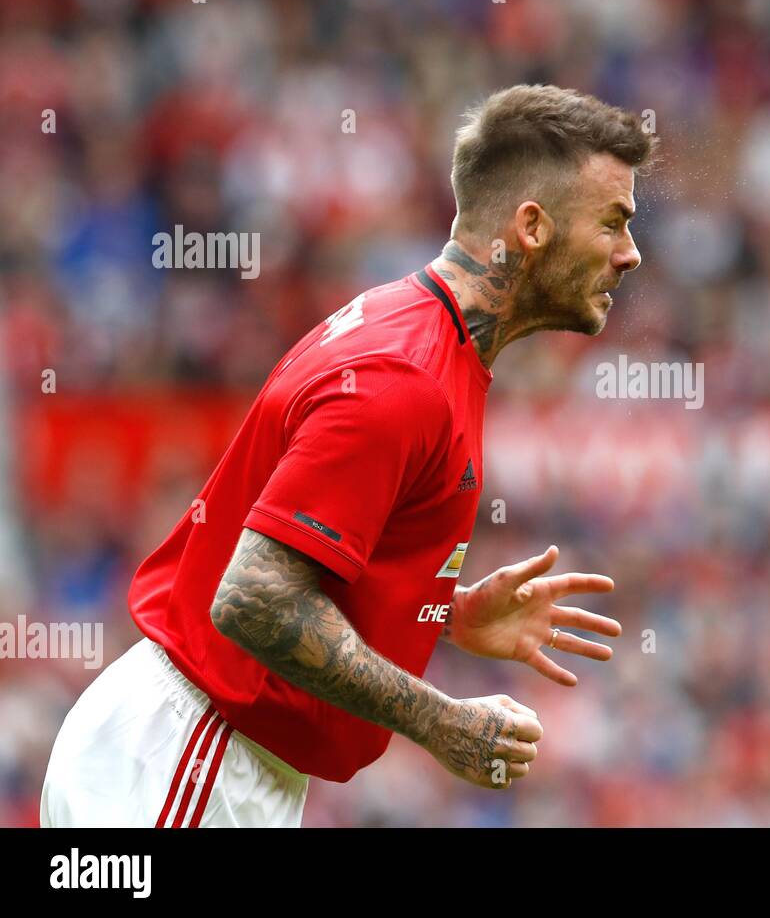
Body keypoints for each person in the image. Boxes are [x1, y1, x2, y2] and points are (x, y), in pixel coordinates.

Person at [40, 84, 657, 827]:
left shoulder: (426, 338)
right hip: (191, 756)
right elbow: (255, 598)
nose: (630, 253)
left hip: (206, 753)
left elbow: (312, 570)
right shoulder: (404, 377)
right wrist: (442, 723)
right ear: (532, 226)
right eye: (613, 223)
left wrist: (438, 612)